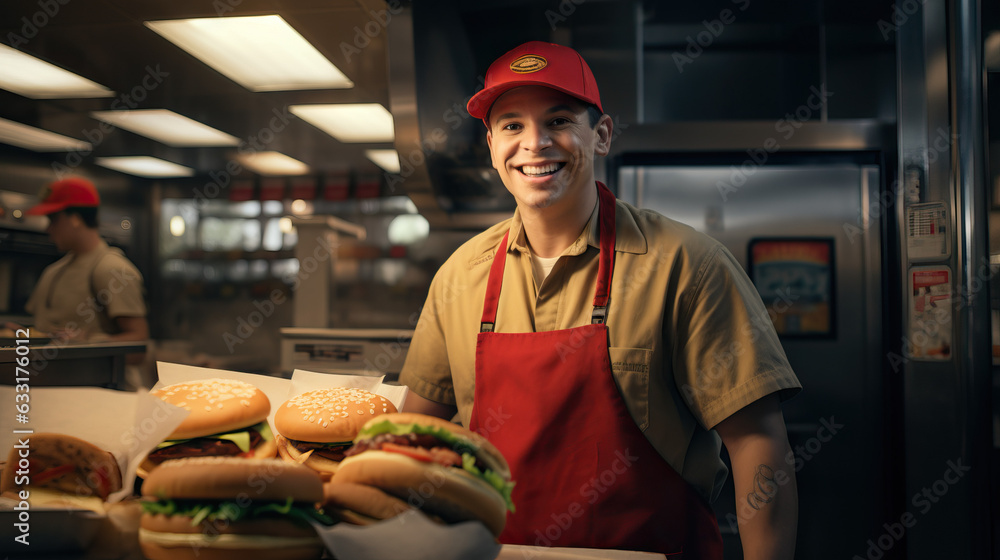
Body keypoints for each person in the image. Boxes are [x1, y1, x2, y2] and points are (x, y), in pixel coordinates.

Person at [399, 41, 801, 558]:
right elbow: (415, 437)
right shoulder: (459, 276)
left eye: (559, 120)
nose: (535, 143)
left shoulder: (686, 265)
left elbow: (758, 444)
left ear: (602, 135)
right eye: (512, 125)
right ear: (492, 144)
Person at [20, 176, 149, 343]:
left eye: (53, 219)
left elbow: (138, 344)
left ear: (75, 219)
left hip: (98, 370)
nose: (48, 228)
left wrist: (89, 342)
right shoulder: (52, 271)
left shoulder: (112, 269)